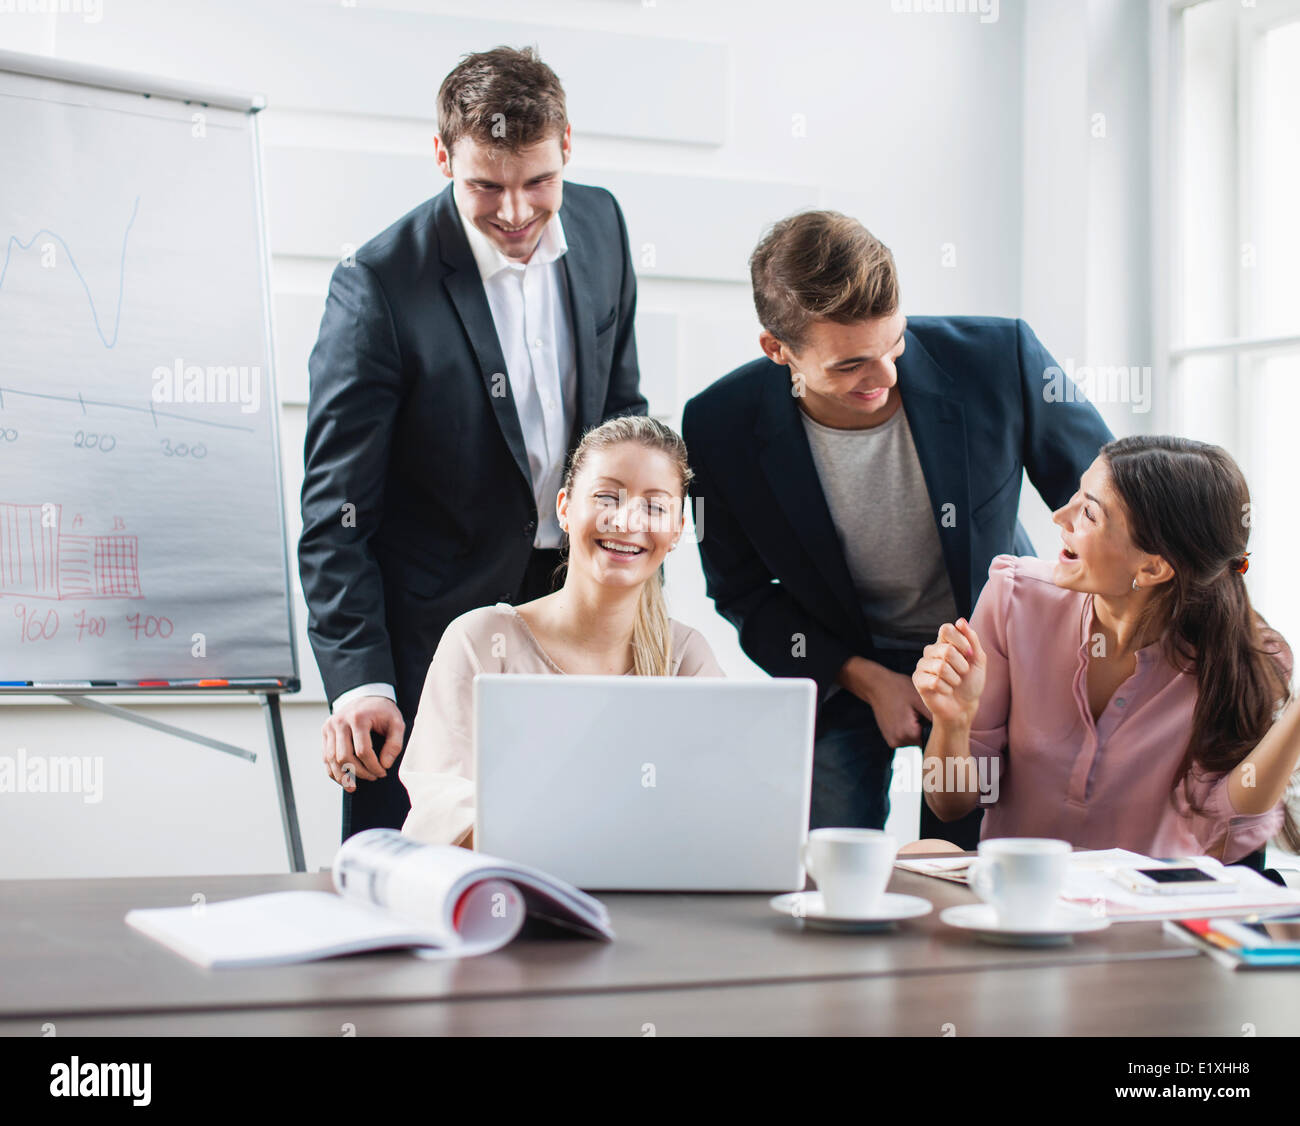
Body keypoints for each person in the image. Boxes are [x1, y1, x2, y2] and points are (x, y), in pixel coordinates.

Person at [298, 47, 647, 841]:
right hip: (429, 639)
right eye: (486, 186)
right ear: (442, 156)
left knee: (583, 851)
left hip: (578, 613)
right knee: (416, 869)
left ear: (567, 145)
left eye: (538, 182)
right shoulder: (378, 286)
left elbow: (623, 411)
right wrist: (363, 685)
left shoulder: (603, 225)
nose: (516, 212)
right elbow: (336, 516)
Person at [681, 210, 1113, 848]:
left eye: (895, 345)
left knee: (970, 858)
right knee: (825, 860)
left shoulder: (1001, 358)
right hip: (843, 664)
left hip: (993, 653)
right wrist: (865, 678)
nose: (886, 378)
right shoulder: (717, 424)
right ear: (777, 350)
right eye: (850, 365)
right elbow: (742, 593)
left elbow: (1112, 502)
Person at [911, 436, 1300, 864]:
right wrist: (953, 721)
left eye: (1090, 513)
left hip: (1146, 896)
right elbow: (952, 804)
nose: (1060, 516)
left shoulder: (1248, 654)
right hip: (1020, 887)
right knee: (923, 851)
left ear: (1152, 567)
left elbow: (1221, 834)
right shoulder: (1014, 598)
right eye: (1076, 496)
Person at [400, 416, 724, 848]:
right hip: (510, 883)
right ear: (565, 509)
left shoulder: (684, 657)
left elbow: (716, 805)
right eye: (607, 496)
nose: (627, 521)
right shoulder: (480, 642)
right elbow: (440, 809)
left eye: (655, 506)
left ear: (677, 530)